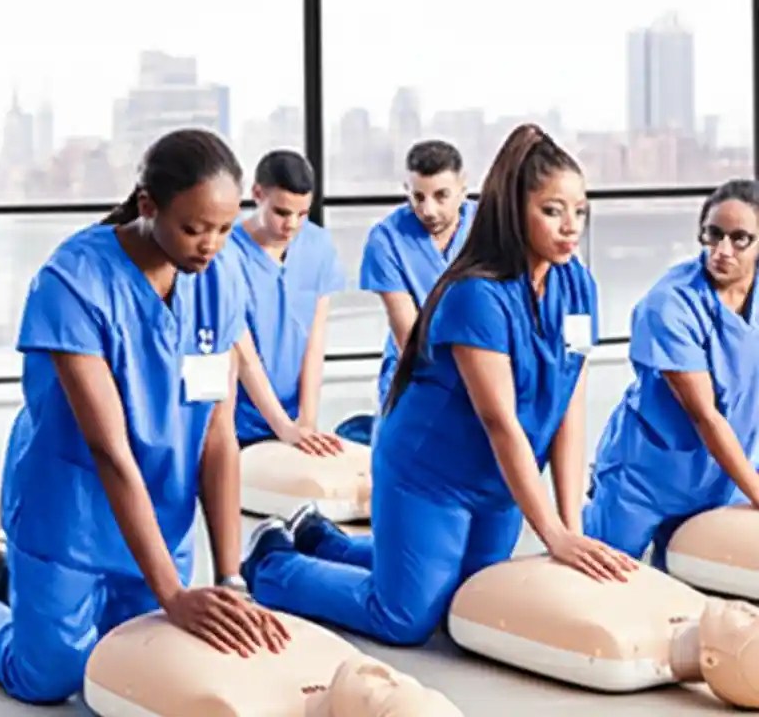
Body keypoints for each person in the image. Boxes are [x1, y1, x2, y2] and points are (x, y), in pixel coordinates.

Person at [0, 128, 290, 704]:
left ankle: (9, 575)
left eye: (223, 228)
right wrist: (172, 594)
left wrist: (230, 577)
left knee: (134, 668)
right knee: (51, 677)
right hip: (69, 514)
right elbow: (110, 450)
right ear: (148, 206)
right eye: (194, 228)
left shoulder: (221, 277)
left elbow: (218, 436)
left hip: (160, 517)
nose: (210, 246)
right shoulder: (73, 283)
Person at [240, 123, 637, 647]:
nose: (570, 227)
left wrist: (571, 528)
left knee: (467, 600)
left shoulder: (578, 286)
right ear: (513, 210)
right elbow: (499, 422)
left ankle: (323, 540)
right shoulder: (478, 296)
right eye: (552, 210)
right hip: (429, 473)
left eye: (579, 211)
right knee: (405, 617)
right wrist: (553, 536)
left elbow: (569, 405)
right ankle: (273, 561)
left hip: (496, 481)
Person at [584, 179, 759, 569]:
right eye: (713, 234)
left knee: (693, 584)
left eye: (740, 239)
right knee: (605, 573)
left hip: (722, 476)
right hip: (645, 476)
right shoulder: (670, 304)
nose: (722, 250)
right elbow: (705, 415)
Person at [226, 149, 346, 456]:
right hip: (239, 422)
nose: (292, 224)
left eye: (302, 214)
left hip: (295, 417)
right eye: (281, 212)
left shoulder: (318, 245)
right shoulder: (227, 253)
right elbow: (245, 357)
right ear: (257, 194)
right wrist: (283, 427)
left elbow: (315, 340)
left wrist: (307, 420)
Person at [361, 140, 476, 410]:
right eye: (418, 197)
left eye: (441, 196)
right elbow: (410, 341)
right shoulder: (386, 240)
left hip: (484, 368)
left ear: (463, 189)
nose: (428, 210)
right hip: (416, 376)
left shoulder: (488, 227)